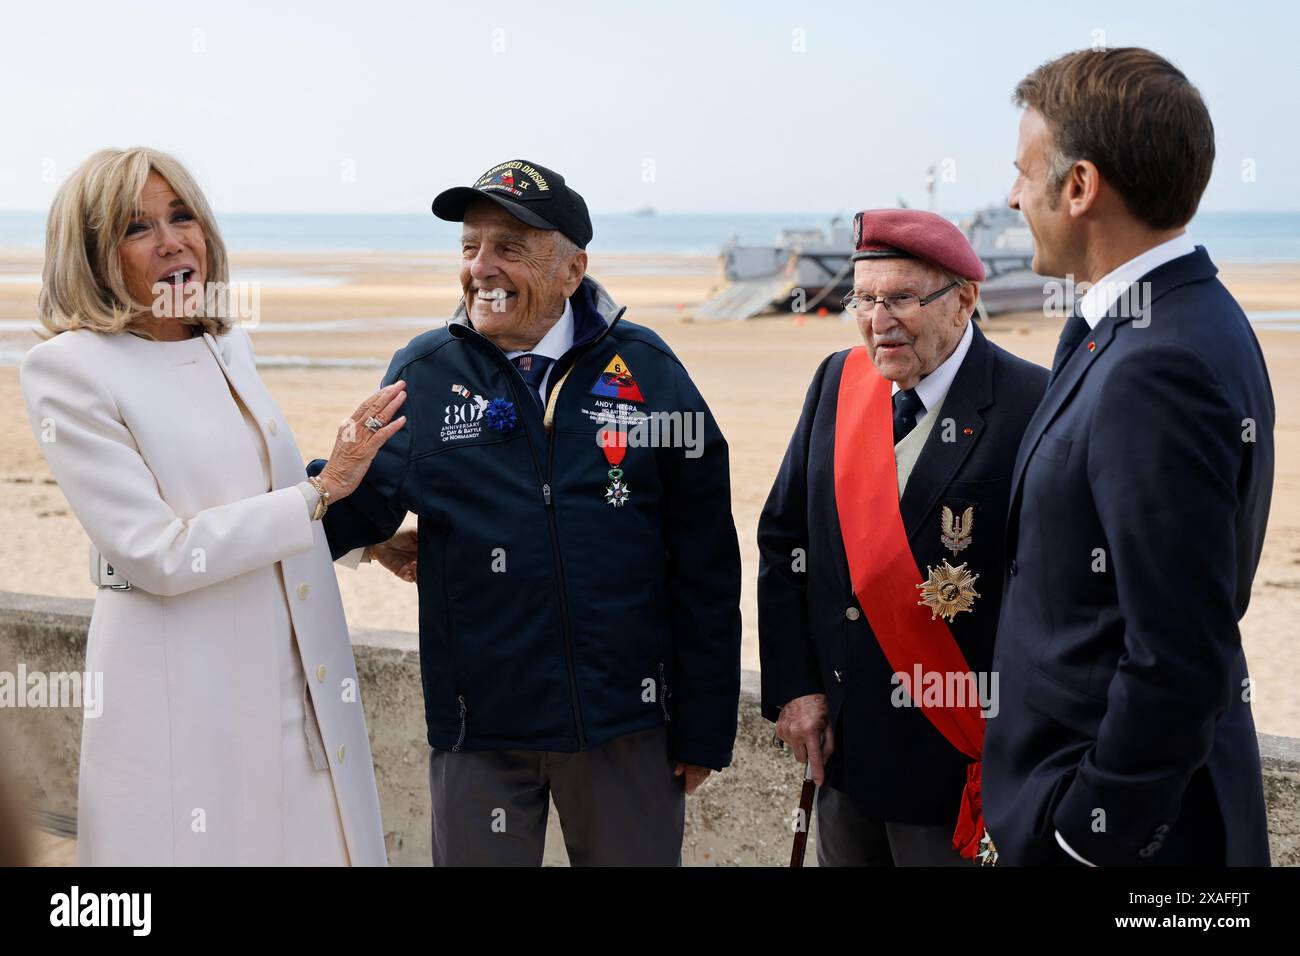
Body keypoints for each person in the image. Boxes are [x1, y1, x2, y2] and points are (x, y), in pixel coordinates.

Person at [313, 159, 742, 866]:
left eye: (508, 247)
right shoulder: (425, 372)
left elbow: (705, 558)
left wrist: (702, 727)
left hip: (625, 727)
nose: (481, 266)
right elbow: (351, 513)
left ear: (572, 270)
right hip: (478, 727)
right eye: (469, 247)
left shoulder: (648, 370)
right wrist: (326, 487)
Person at [20, 147, 404, 865]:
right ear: (94, 255)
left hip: (299, 678)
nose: (171, 240)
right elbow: (154, 551)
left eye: (181, 214)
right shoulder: (70, 369)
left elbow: (262, 492)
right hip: (186, 689)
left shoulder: (230, 344)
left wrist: (360, 542)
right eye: (137, 227)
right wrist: (321, 493)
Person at [983, 47, 1275, 866]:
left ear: (1078, 187)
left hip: (1130, 839)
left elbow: (1180, 653)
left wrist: (1083, 838)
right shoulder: (1175, 316)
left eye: (1023, 173)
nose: (1011, 196)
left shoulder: (1157, 364)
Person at [759, 209, 1048, 865]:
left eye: (901, 299)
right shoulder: (838, 382)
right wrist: (796, 689)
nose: (877, 320)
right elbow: (784, 541)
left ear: (964, 300)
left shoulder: (1033, 401)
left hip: (954, 760)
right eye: (863, 300)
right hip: (843, 754)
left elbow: (1055, 591)